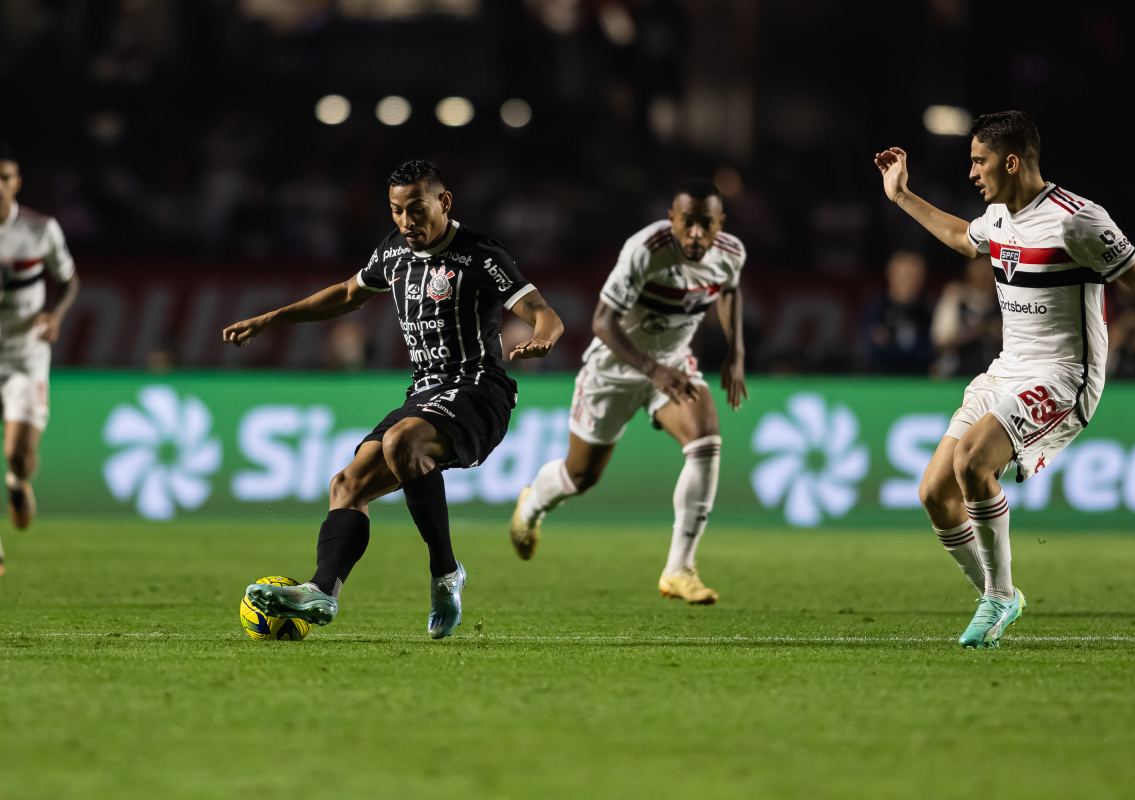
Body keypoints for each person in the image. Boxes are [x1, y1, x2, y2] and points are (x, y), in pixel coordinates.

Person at [874, 110, 1135, 648]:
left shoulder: (1077, 220)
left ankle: (998, 598)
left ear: (1011, 160)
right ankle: (999, 594)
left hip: (1062, 377)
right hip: (1007, 371)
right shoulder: (998, 216)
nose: (973, 174)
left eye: (979, 162)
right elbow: (960, 237)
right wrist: (901, 195)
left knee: (972, 462)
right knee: (935, 492)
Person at [223, 160, 563, 638]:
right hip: (424, 392)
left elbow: (541, 311)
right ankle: (322, 590)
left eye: (417, 209)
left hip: (479, 390)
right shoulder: (393, 253)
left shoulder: (480, 254)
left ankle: (446, 572)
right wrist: (271, 318)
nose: (407, 221)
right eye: (397, 211)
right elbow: (346, 294)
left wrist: (543, 337)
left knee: (403, 442)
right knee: (346, 484)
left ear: (443, 203)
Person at [509, 178, 748, 605]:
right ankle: (533, 504)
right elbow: (603, 321)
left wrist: (735, 351)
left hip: (672, 365)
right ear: (671, 219)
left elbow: (728, 291)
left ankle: (679, 568)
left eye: (705, 225)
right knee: (579, 477)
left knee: (706, 442)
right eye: (687, 223)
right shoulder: (646, 249)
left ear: (720, 224)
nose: (696, 234)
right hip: (615, 368)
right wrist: (651, 369)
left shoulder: (730, 252)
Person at [0, 141, 81, 575]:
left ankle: (17, 483)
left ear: (16, 183)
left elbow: (69, 280)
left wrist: (55, 315)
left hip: (25, 356)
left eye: (4, 178)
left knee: (18, 454)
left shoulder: (39, 229)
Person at [863, 250, 934, 374]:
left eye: (913, 275)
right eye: (903, 275)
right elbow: (872, 350)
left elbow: (931, 351)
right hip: (879, 382)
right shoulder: (876, 308)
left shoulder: (928, 311)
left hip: (919, 383)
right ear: (890, 273)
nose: (907, 281)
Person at [930, 256, 1003, 377]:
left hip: (997, 377)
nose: (982, 274)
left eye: (987, 268)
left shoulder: (1004, 302)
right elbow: (940, 340)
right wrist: (969, 333)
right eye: (978, 267)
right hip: (960, 375)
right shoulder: (955, 298)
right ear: (969, 269)